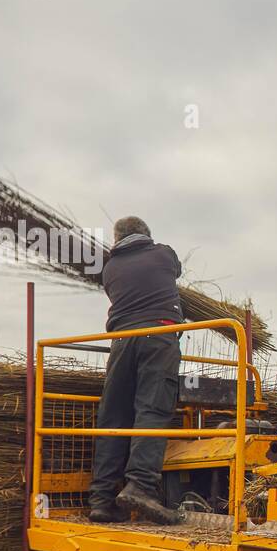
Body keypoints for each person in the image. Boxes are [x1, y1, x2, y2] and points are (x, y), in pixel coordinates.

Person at [87, 216, 183, 525]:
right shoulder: (164, 253)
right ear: (147, 234)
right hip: (158, 338)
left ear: (117, 239)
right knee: (152, 409)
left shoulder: (109, 269)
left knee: (113, 416)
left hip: (120, 343)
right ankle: (141, 486)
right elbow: (174, 272)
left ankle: (101, 500)